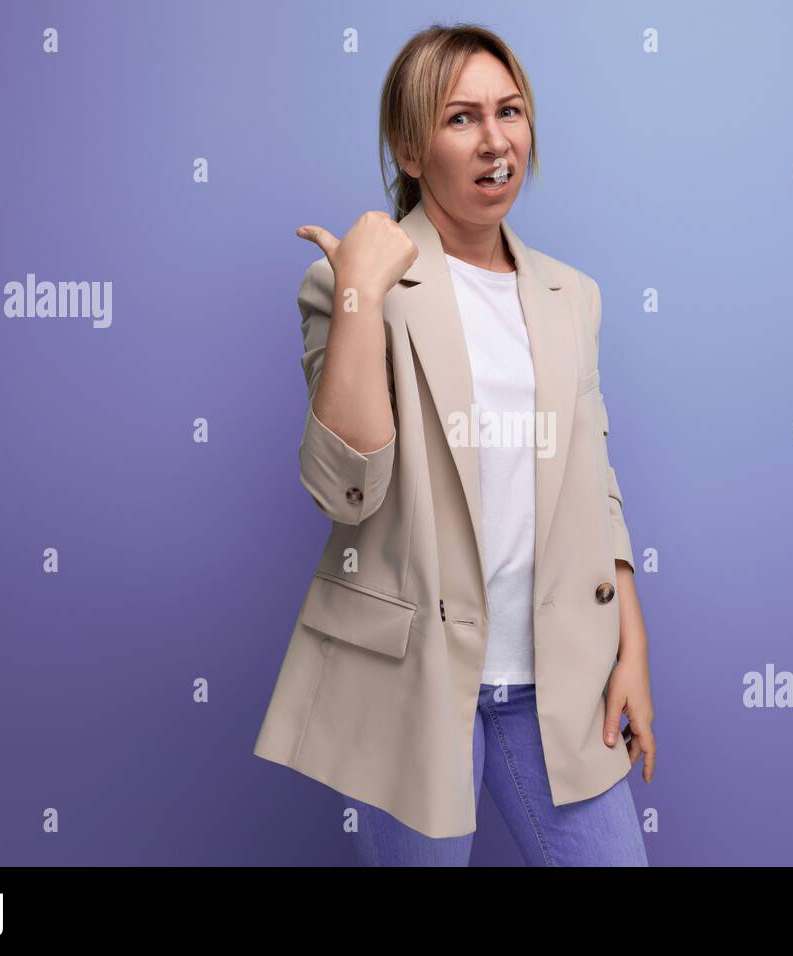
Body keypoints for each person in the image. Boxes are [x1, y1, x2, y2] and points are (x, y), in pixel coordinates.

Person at [254, 23, 656, 866]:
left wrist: (632, 653)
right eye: (461, 118)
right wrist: (362, 292)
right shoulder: (355, 280)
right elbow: (347, 488)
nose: (496, 139)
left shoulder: (570, 296)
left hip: (557, 682)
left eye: (510, 111)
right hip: (415, 683)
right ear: (409, 146)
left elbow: (597, 487)